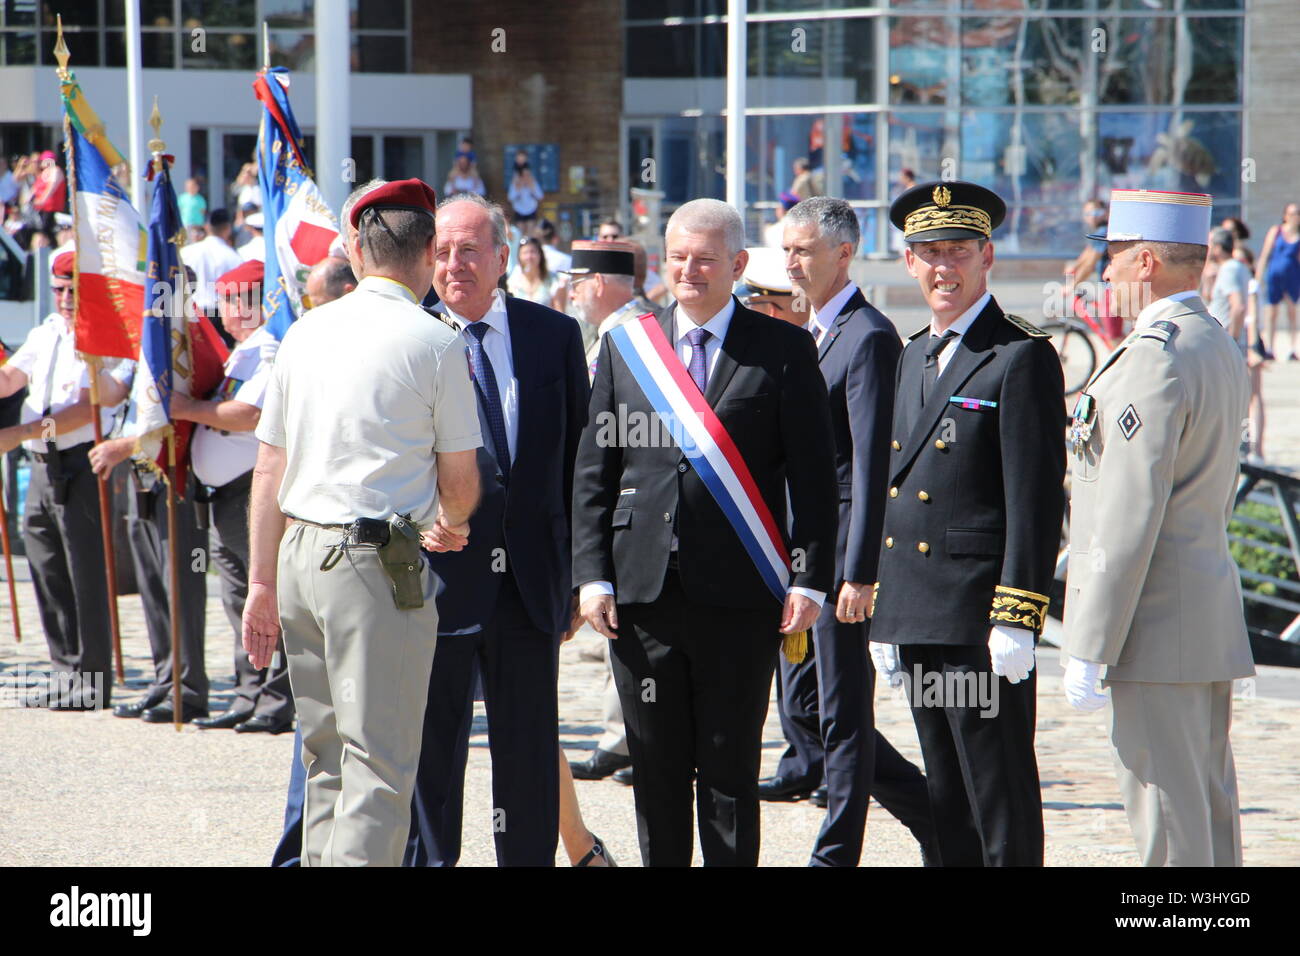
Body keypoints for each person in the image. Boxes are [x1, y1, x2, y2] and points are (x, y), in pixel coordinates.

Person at [573, 198, 839, 866]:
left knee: (728, 772)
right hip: (641, 594)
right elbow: (592, 472)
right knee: (655, 770)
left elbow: (814, 476)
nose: (690, 271)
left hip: (742, 595)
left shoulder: (781, 348)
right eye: (679, 258)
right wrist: (591, 575)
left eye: (706, 260)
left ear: (738, 265)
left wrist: (811, 576)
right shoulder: (629, 344)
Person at [243, 178, 483, 867]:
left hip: (299, 555)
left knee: (325, 757)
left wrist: (261, 581)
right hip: (376, 562)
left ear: (355, 247)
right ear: (432, 251)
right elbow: (461, 480)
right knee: (379, 766)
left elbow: (268, 468)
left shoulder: (305, 332)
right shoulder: (436, 342)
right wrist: (454, 522)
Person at [869, 181, 1067, 867]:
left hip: (980, 620)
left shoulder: (1018, 355)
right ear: (909, 262)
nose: (941, 267)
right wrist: (887, 614)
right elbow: (897, 488)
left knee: (997, 791)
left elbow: (1037, 501)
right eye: (927, 252)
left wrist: (1018, 615)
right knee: (945, 795)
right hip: (921, 614)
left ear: (987, 257)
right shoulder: (913, 353)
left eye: (956, 250)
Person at [1062, 188, 1252, 867]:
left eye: (1111, 259)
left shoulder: (1154, 355)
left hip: (1152, 620)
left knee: (1167, 820)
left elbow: (1129, 508)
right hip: (1199, 612)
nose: (1104, 274)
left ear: (1143, 261)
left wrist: (1090, 638)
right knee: (1205, 804)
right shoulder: (1213, 342)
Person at [404, 193, 589, 867]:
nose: (454, 265)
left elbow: (581, 465)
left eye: (470, 250)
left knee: (529, 755)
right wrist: (418, 523)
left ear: (504, 258)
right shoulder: (408, 338)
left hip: (532, 588)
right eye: (443, 252)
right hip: (437, 585)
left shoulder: (554, 335)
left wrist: (581, 575)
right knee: (434, 755)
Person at [758, 197, 937, 867]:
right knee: (804, 710)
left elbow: (870, 468)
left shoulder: (867, 337)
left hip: (838, 566)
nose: (791, 262)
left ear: (843, 253)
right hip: (798, 559)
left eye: (803, 250)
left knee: (839, 708)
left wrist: (859, 573)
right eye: (788, 249)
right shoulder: (808, 334)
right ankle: (934, 817)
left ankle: (836, 852)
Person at [271, 182, 381, 869]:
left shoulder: (409, 341)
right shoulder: (308, 342)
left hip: (374, 561)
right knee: (324, 744)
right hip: (313, 557)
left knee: (366, 748)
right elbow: (270, 466)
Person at [163, 259, 292, 734]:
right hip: (222, 495)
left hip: (249, 492)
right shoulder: (240, 353)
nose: (234, 309)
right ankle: (248, 692)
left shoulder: (270, 350)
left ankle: (276, 701)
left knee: (264, 596)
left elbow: (248, 415)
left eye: (244, 298)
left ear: (265, 302)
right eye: (229, 299)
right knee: (239, 599)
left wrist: (188, 409)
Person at [0, 249, 125, 710]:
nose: (67, 298)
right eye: (60, 289)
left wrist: (24, 432)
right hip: (42, 468)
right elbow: (11, 378)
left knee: (84, 577)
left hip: (77, 463)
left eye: (75, 289)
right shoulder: (48, 330)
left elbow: (81, 413)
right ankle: (65, 671)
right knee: (48, 572)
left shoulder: (101, 337)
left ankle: (90, 681)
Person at [563, 240, 641, 784]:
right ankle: (625, 736)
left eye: (576, 281)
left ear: (597, 282)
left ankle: (631, 738)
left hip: (626, 503)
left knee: (628, 627)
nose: (570, 291)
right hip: (612, 498)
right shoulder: (611, 331)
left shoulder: (626, 333)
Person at [1256, 202, 1300, 360]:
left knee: (1292, 312)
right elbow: (1265, 255)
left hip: (1293, 277)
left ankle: (1292, 348)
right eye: (1292, 213)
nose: (1295, 216)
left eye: (1297, 213)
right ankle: (1269, 348)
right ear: (1285, 215)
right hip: (1274, 276)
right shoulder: (1276, 232)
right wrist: (1257, 279)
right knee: (1271, 313)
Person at [181, 208, 243, 317]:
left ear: (207, 227)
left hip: (193, 311)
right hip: (222, 314)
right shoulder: (234, 257)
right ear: (228, 229)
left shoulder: (186, 252)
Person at [1206, 227, 1251, 350]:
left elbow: (1238, 306)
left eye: (1210, 243)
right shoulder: (1238, 267)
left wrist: (1232, 341)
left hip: (1225, 341)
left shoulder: (1229, 269)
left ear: (1218, 247)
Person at [505, 235, 557, 306]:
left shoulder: (553, 280)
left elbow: (560, 311)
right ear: (519, 257)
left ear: (540, 255)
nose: (529, 257)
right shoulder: (513, 280)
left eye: (533, 252)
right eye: (525, 253)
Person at [31, 151, 67, 242]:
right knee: (41, 233)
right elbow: (34, 190)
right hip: (41, 210)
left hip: (52, 208)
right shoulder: (43, 174)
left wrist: (42, 200)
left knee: (48, 233)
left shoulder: (56, 170)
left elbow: (51, 187)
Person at [507, 151, 544, 227]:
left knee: (530, 229)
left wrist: (531, 186)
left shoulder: (531, 180)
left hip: (531, 209)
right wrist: (519, 186)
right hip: (519, 209)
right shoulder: (515, 180)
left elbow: (540, 196)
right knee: (520, 231)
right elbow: (510, 198)